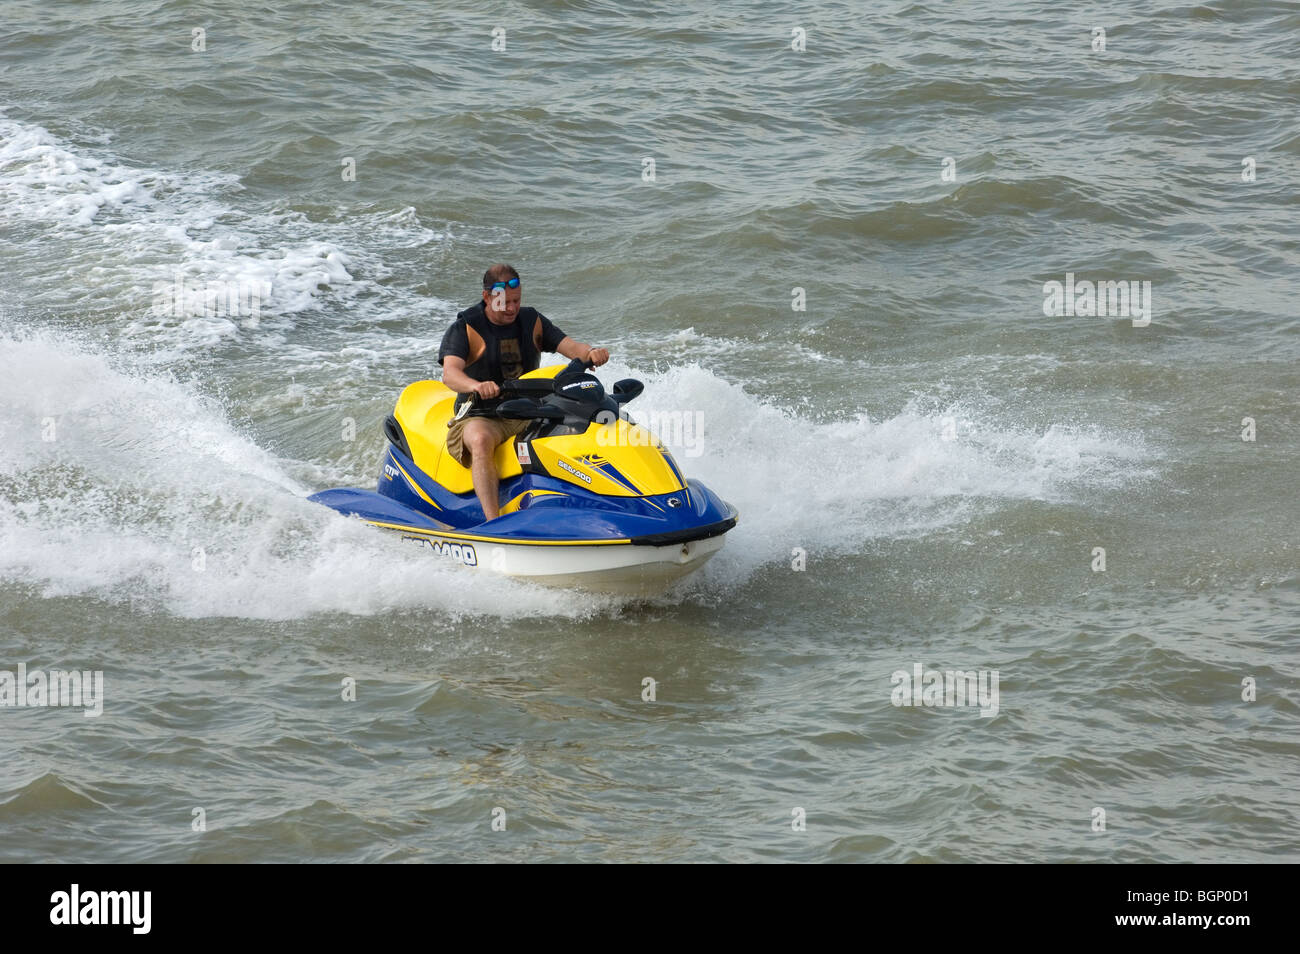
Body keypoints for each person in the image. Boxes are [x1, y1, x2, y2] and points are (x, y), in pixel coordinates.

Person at [438, 264, 609, 521]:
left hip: (529, 410)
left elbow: (572, 347)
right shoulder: (466, 327)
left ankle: (591, 503)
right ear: (487, 297)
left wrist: (591, 353)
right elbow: (450, 373)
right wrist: (476, 386)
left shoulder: (532, 321)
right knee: (481, 440)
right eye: (504, 303)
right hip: (483, 414)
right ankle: (492, 522)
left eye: (516, 301)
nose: (511, 308)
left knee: (583, 420)